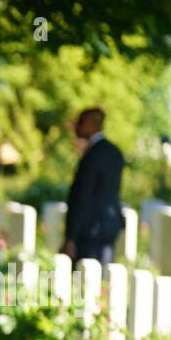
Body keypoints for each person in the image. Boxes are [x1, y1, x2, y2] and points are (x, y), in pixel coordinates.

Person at [61, 107, 125, 265]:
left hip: (89, 229)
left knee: (84, 280)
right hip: (109, 226)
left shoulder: (93, 155)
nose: (77, 127)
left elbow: (83, 196)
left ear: (91, 124)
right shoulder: (114, 152)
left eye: (80, 122)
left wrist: (71, 237)